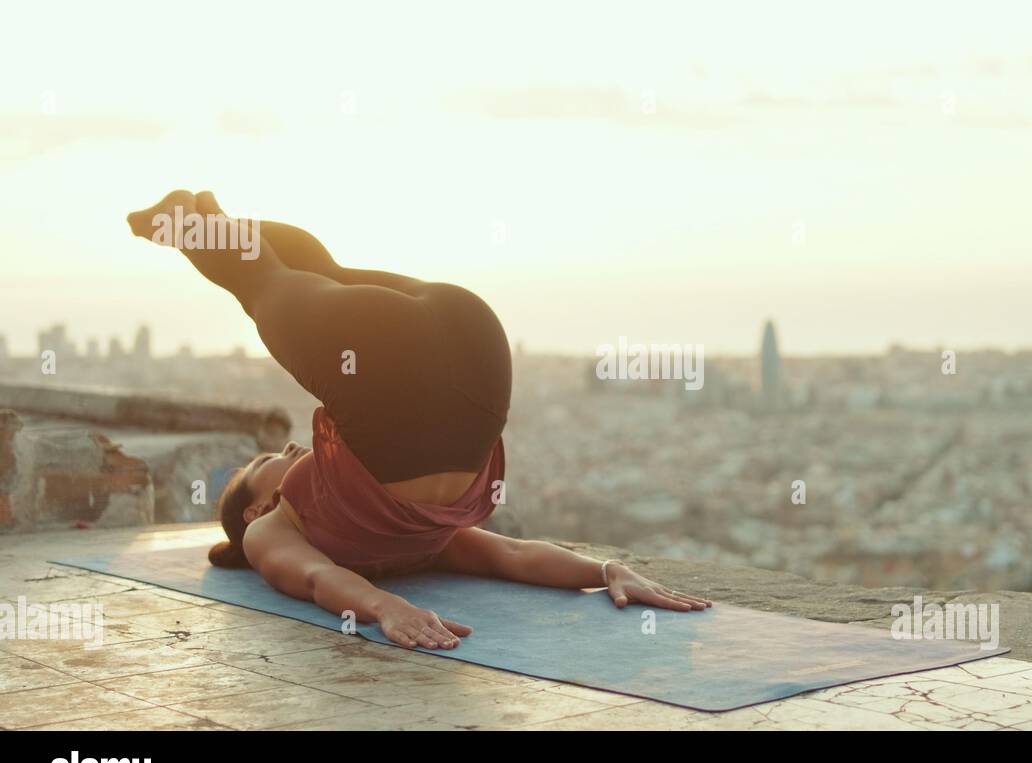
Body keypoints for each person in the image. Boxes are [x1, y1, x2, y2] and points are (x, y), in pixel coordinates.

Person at [127, 190, 711, 652]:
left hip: (454, 354)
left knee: (286, 279)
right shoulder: (288, 531)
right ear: (254, 508)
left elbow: (328, 575)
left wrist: (606, 566)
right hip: (466, 343)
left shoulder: (399, 538)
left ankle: (197, 218)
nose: (284, 446)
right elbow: (508, 557)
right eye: (264, 462)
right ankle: (193, 217)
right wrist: (604, 570)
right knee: (278, 282)